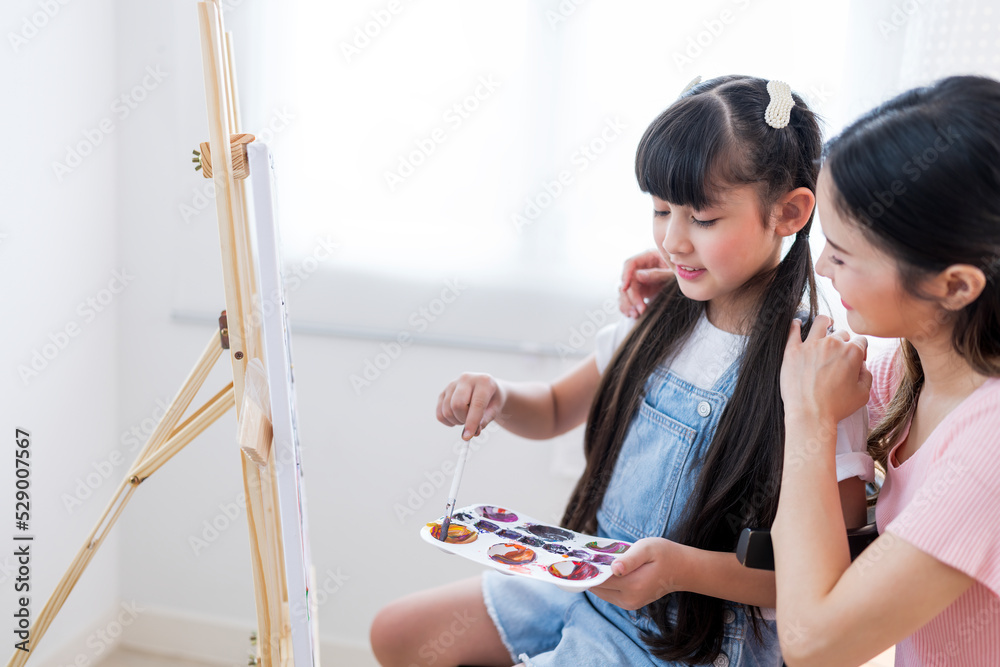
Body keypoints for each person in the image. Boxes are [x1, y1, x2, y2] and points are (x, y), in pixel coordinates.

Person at [370, 75, 872, 667]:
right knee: (396, 632)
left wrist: (681, 571)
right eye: (661, 210)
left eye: (703, 219)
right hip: (600, 580)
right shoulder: (661, 318)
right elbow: (556, 407)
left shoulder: (814, 367)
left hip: (699, 634)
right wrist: (499, 396)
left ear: (789, 212)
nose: (673, 240)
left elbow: (819, 577)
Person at [772, 75, 1000, 666]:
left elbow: (812, 646)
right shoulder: (912, 366)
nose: (821, 266)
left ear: (953, 285)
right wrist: (693, 291)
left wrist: (810, 422)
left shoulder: (990, 445)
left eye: (843, 254)